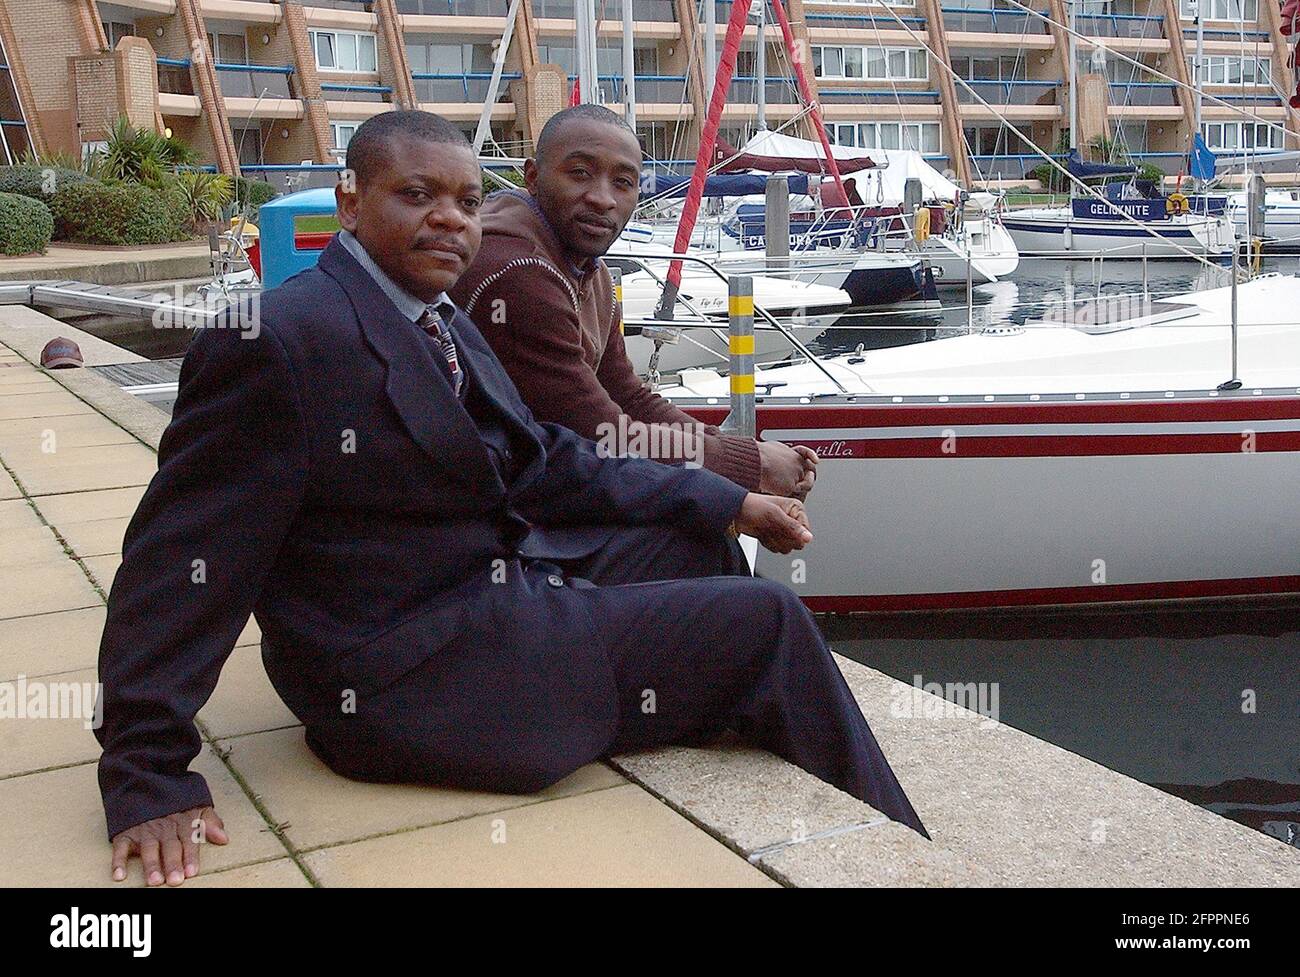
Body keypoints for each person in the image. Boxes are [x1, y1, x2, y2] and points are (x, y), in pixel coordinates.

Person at [94, 111, 926, 887]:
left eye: (464, 199)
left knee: (691, 541)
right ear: (351, 201)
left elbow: (548, 459)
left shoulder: (436, 315)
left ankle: (749, 721)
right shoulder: (284, 339)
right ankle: (903, 860)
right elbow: (184, 556)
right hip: (403, 668)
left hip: (483, 590)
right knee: (770, 624)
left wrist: (722, 501)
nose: (452, 219)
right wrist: (147, 770)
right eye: (416, 195)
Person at [450, 104, 817, 509]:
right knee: (701, 532)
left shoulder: (589, 267)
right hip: (492, 507)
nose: (602, 199)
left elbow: (629, 396)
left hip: (543, 477)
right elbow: (602, 431)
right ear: (533, 177)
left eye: (623, 182)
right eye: (580, 174)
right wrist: (751, 466)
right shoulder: (518, 270)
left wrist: (737, 450)